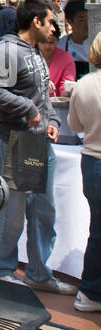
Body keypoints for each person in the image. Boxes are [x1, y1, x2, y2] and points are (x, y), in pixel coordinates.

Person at [0, 0, 69, 293]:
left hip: (36, 141)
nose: (54, 27)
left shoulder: (33, 52)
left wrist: (52, 119)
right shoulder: (8, 49)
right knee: (13, 211)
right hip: (13, 139)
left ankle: (39, 273)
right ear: (36, 22)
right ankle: (2, 268)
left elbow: (43, 95)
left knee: (43, 210)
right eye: (50, 20)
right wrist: (27, 110)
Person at [68, 34, 101, 313]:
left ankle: (90, 290)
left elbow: (74, 124)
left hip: (91, 162)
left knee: (98, 229)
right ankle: (90, 291)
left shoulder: (84, 84)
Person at [39, 20, 76, 97]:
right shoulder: (31, 56)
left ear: (57, 41)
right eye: (43, 42)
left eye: (51, 42)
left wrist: (66, 91)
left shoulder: (66, 58)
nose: (47, 46)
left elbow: (66, 83)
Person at [59, 0, 89, 73]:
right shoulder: (60, 45)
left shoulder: (97, 45)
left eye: (88, 19)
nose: (87, 24)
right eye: (82, 20)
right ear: (70, 22)